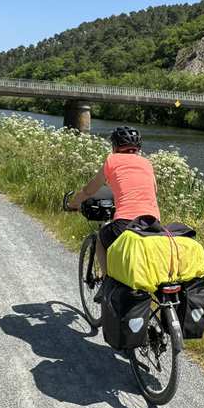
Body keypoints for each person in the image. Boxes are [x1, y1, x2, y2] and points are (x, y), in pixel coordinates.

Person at [67, 126, 160, 297]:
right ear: (138, 147)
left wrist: (73, 204)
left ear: (114, 146)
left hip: (125, 224)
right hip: (154, 224)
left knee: (102, 237)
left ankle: (107, 281)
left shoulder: (112, 160)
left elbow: (89, 190)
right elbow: (154, 189)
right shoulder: (147, 163)